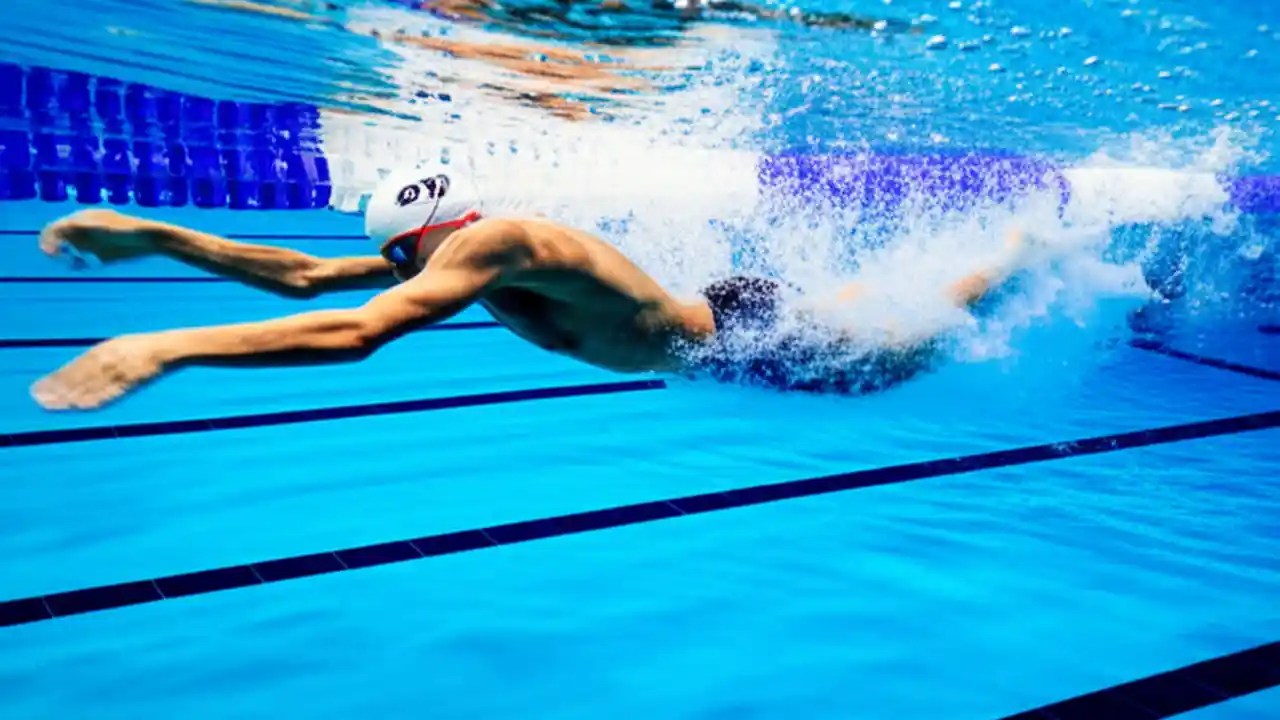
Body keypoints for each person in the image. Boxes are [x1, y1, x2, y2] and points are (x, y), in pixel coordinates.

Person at [30, 165, 1029, 411]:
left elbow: (356, 334)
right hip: (722, 334)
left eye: (411, 260)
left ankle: (1041, 242)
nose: (411, 277)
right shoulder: (454, 248)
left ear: (438, 235)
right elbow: (301, 276)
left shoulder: (493, 243)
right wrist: (158, 237)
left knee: (930, 333)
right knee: (898, 332)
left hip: (741, 333)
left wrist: (165, 345)